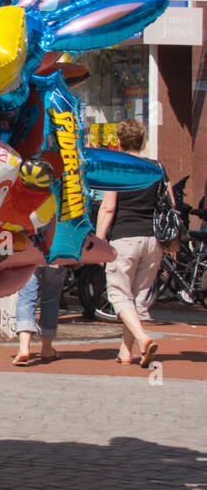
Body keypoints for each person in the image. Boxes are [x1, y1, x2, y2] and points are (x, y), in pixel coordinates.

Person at [95, 119, 165, 368]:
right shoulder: (157, 167)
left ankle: (143, 339)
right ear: (142, 140)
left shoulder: (116, 167)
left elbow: (108, 207)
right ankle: (126, 351)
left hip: (125, 238)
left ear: (120, 142)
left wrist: (98, 242)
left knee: (118, 296)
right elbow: (171, 206)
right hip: (153, 240)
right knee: (135, 299)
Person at [11, 266, 64, 366]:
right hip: (54, 253)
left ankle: (23, 347)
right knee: (51, 298)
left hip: (29, 252)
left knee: (26, 296)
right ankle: (47, 348)